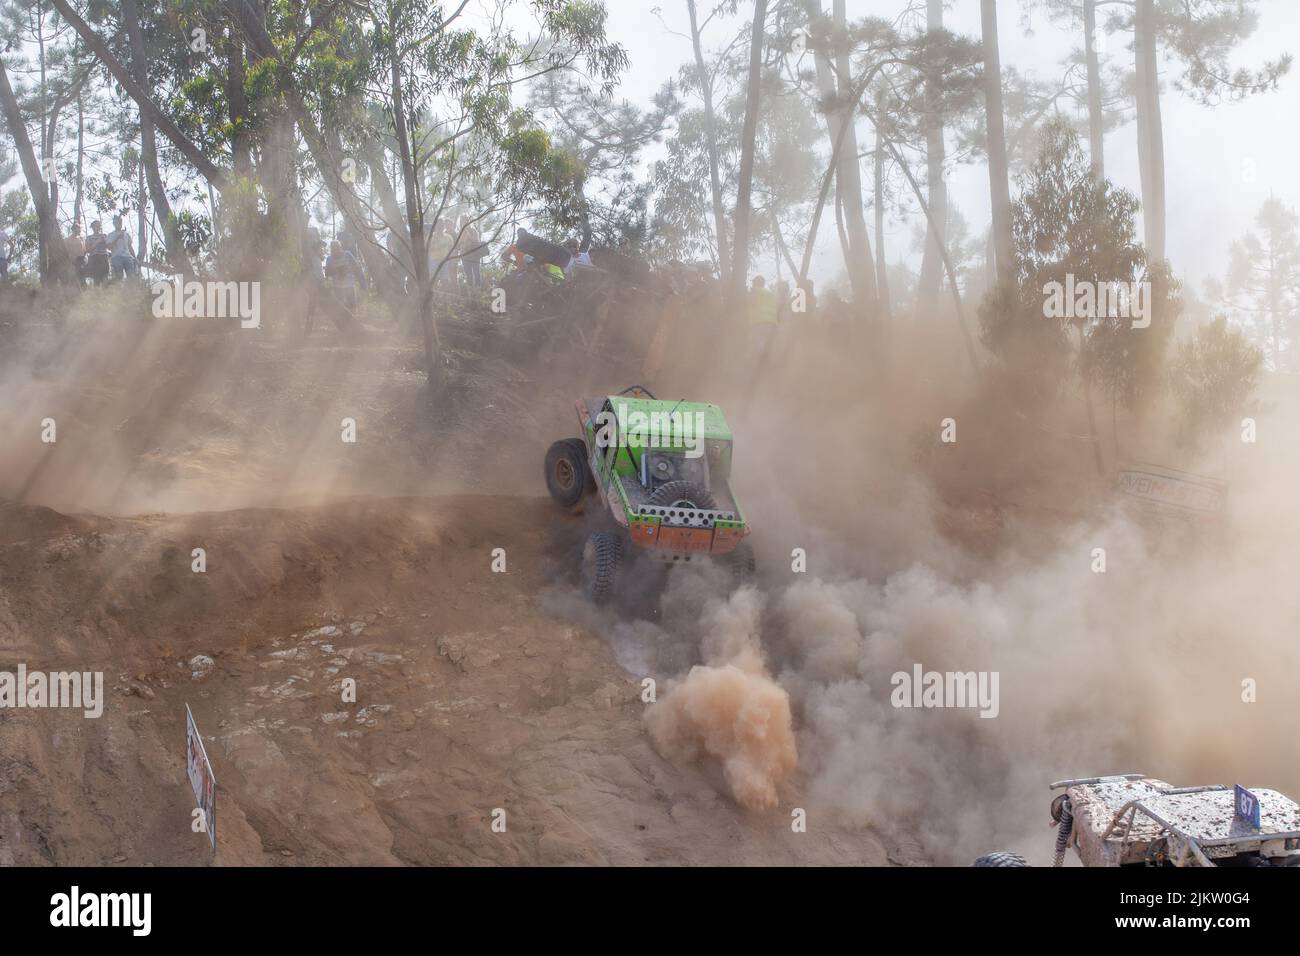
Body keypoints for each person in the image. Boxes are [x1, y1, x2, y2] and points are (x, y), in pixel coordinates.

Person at [106, 215, 137, 280]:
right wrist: (118, 237)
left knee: (131, 276)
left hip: (128, 257)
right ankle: (119, 289)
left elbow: (130, 247)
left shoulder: (126, 234)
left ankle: (131, 289)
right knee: (119, 277)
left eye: (120, 221)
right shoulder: (110, 235)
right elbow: (109, 247)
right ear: (114, 224)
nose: (119, 223)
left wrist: (135, 258)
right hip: (116, 257)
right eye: (117, 222)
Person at [84, 220, 110, 286]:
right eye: (96, 226)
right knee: (96, 278)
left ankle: (107, 294)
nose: (98, 227)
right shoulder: (89, 238)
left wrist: (105, 241)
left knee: (105, 278)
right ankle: (97, 294)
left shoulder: (104, 236)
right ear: (92, 227)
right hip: (95, 258)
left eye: (99, 226)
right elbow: (88, 250)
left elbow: (109, 247)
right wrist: (97, 241)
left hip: (104, 257)